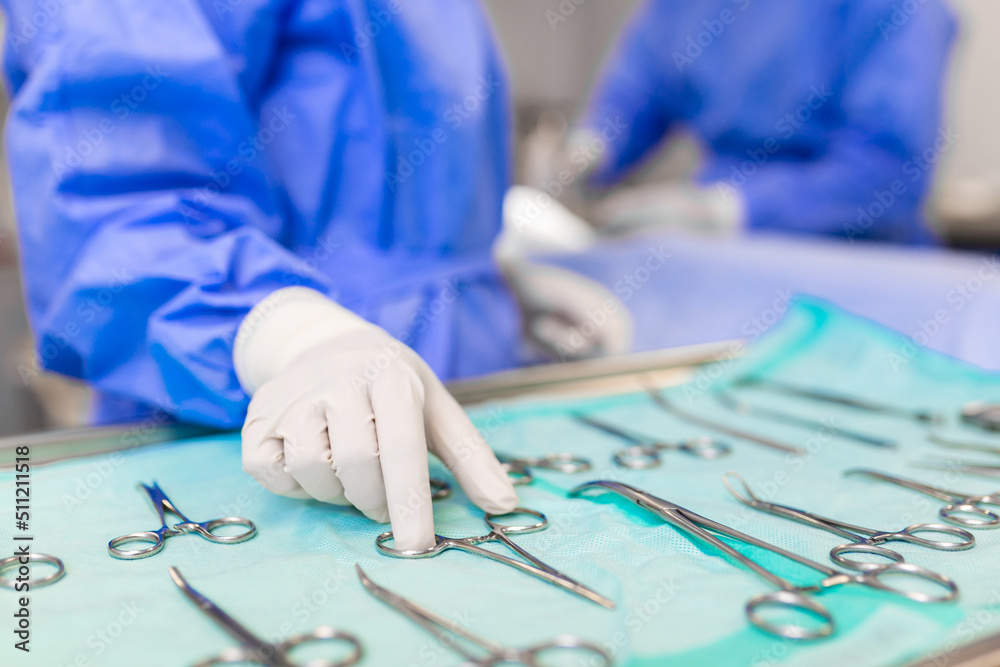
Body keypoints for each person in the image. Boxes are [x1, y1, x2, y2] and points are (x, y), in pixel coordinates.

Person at [1, 0, 630, 550]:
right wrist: (291, 334)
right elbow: (115, 209)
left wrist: (488, 284)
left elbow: (402, 185)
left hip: (468, 378)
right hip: (234, 416)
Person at [528, 0, 956, 244]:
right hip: (712, 256)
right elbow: (642, 89)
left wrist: (734, 209)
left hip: (852, 261)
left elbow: (886, 175)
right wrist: (589, 148)